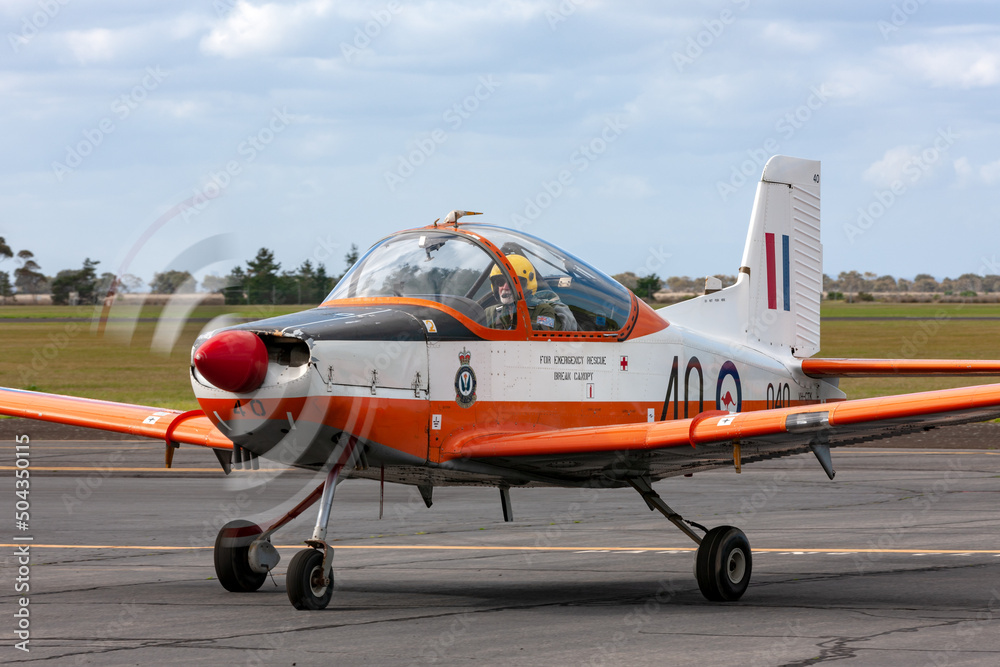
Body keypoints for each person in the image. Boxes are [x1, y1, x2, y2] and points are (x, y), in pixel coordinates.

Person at [486, 254, 577, 331]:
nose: (505, 287)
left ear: (526, 284)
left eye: (512, 282)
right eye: (500, 282)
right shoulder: (490, 313)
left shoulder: (542, 310)